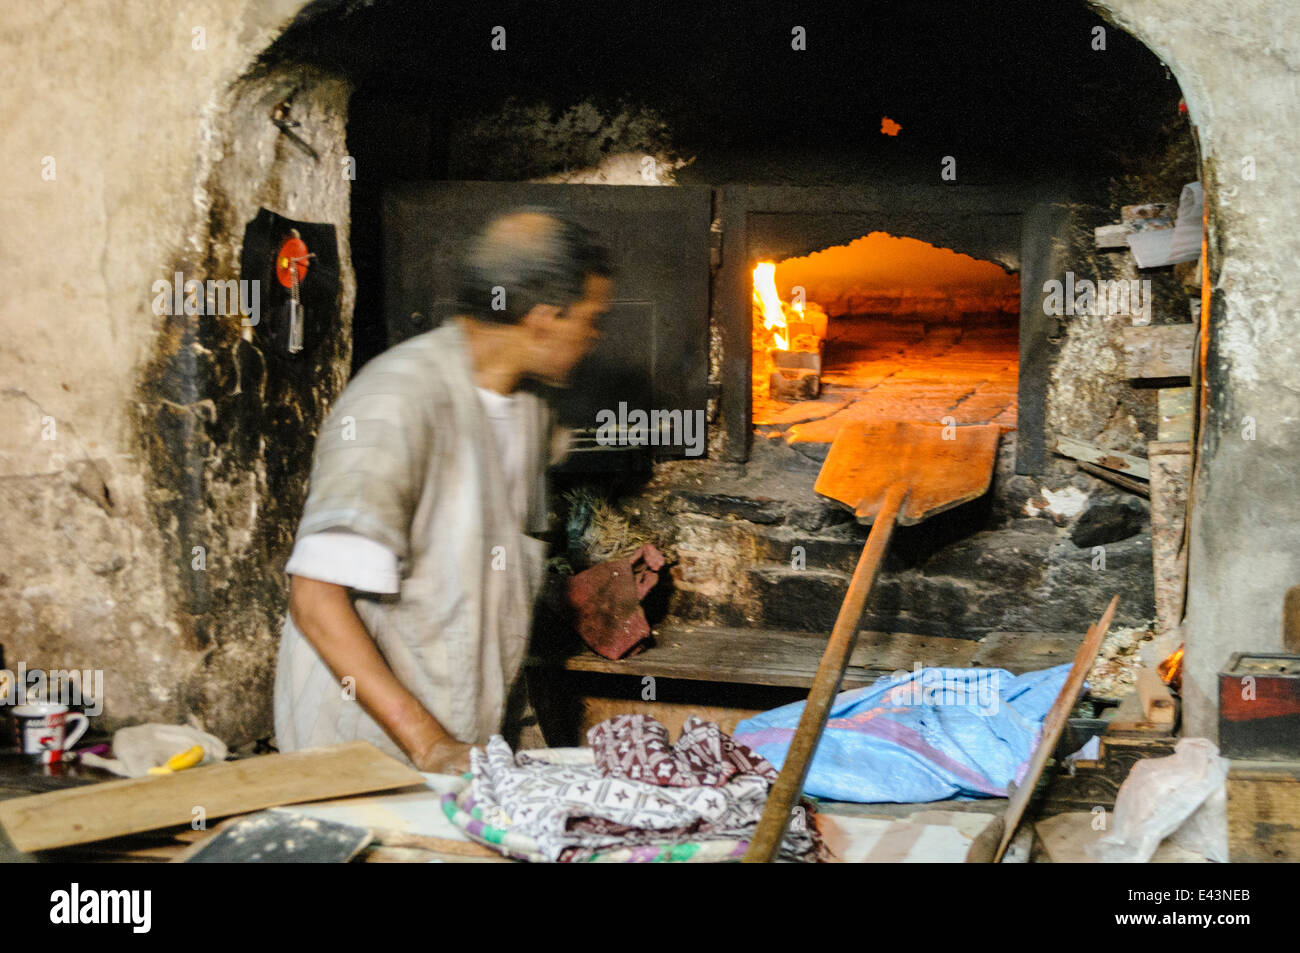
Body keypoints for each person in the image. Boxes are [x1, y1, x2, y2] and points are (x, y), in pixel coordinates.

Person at [274, 208, 613, 773]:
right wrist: (428, 741)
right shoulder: (396, 403)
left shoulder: (529, 412)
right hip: (364, 755)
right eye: (592, 318)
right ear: (546, 317)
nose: (595, 337)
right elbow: (315, 600)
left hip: (462, 748)